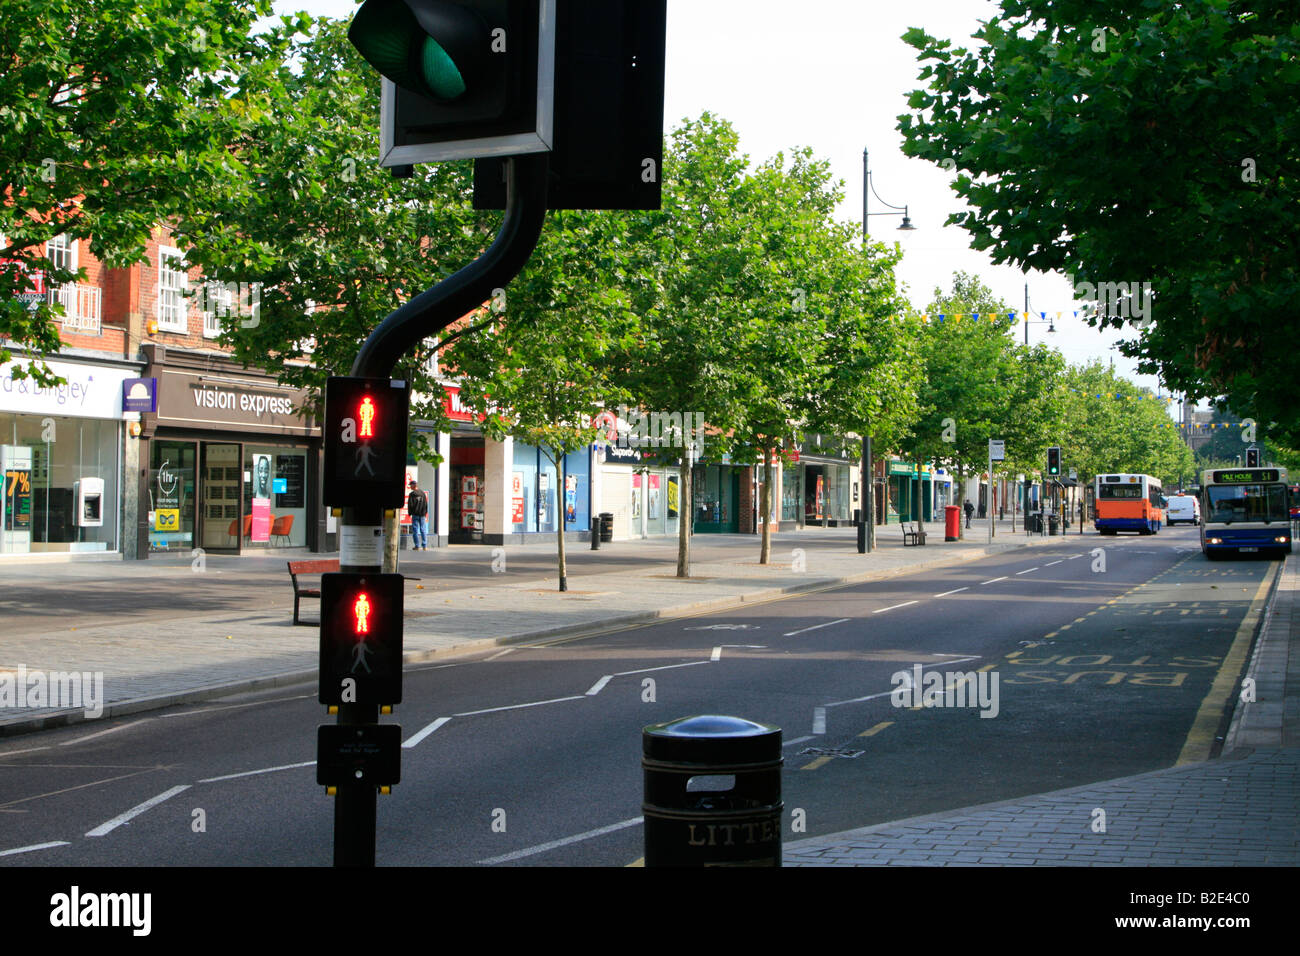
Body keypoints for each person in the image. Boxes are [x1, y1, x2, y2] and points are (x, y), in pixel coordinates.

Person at [407, 480, 429, 550]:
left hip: (415, 514)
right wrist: (425, 513)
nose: (410, 486)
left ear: (414, 485)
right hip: (422, 515)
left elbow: (410, 505)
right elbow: (425, 504)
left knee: (415, 530)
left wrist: (410, 513)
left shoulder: (412, 494)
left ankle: (417, 546)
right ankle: (424, 546)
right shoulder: (422, 493)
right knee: (423, 529)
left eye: (410, 485)